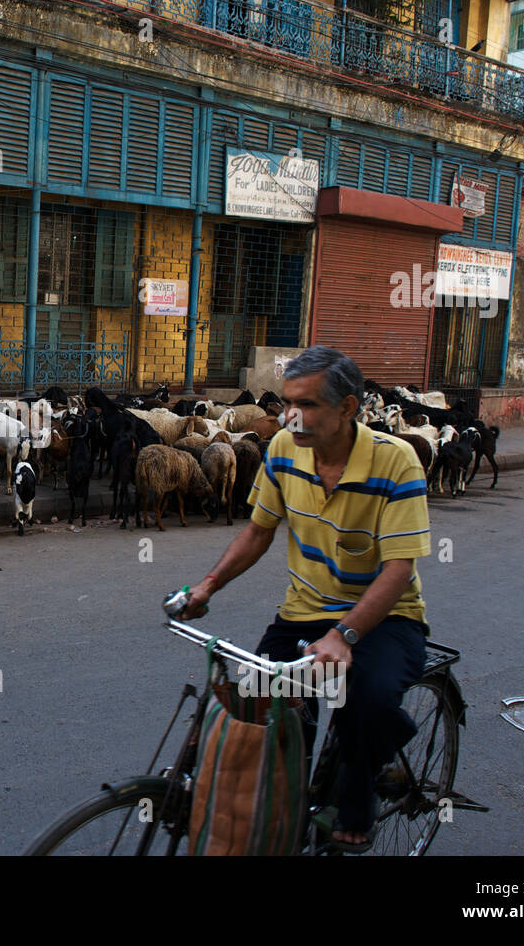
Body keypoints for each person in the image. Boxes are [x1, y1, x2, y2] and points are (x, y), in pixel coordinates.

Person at [178, 346, 431, 852]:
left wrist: (344, 635)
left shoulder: (396, 460)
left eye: (309, 404)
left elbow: (399, 569)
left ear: (348, 408)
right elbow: (257, 532)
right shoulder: (281, 451)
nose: (293, 415)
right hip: (303, 613)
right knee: (255, 707)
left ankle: (359, 797)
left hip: (385, 618)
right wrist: (207, 585)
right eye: (290, 402)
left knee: (369, 700)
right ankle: (284, 809)